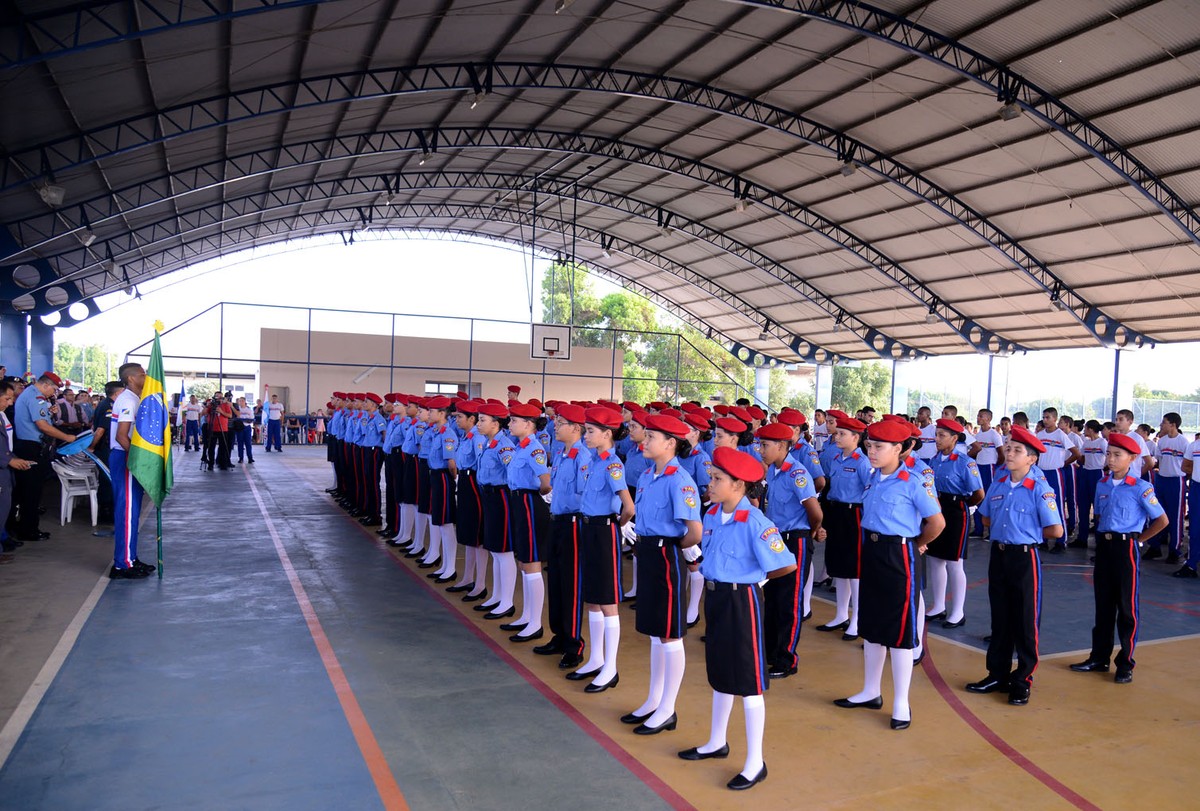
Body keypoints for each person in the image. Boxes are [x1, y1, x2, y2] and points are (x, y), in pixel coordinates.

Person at [678, 446, 796, 791]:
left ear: (739, 485)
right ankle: (717, 741)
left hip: (741, 600)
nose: (709, 483)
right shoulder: (713, 513)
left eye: (717, 479)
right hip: (716, 598)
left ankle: (755, 761)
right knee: (720, 671)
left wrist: (753, 580)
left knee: (749, 680)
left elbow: (785, 565)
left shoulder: (756, 522)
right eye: (711, 477)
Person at [834, 419, 944, 731]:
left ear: (899, 449)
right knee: (871, 623)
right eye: (869, 445)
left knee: (899, 631)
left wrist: (916, 545)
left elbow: (936, 523)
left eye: (878, 447)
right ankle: (871, 690)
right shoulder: (873, 478)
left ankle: (901, 702)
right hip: (871, 552)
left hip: (899, 555)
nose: (871, 451)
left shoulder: (913, 480)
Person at [966, 426, 1063, 706]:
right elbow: (984, 519)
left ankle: (1022, 680)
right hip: (999, 555)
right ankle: (997, 674)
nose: (1009, 452)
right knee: (1000, 617)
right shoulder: (998, 482)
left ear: (1031, 458)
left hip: (1024, 557)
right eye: (1007, 447)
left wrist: (1026, 533)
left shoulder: (1039, 489)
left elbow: (1055, 530)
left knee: (1025, 620)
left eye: (1016, 450)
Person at [622, 414, 702, 736]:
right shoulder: (646, 476)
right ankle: (654, 699)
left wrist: (668, 546)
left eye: (651, 436)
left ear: (670, 443)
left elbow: (694, 531)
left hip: (666, 555)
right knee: (656, 631)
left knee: (671, 633)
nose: (644, 441)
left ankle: (668, 708)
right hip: (648, 554)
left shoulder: (679, 480)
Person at [1069, 432, 1167, 684]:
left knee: (1126, 609)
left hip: (1126, 550)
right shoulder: (1102, 484)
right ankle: (1098, 658)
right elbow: (1100, 516)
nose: (1110, 459)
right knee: (1103, 606)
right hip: (1104, 547)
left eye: (1117, 455)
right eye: (1108, 454)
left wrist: (1140, 540)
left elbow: (1162, 520)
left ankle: (1125, 663)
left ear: (1132, 458)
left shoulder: (1141, 487)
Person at [570, 406, 635, 691]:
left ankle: (610, 667)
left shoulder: (612, 465)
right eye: (585, 430)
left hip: (604, 530)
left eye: (591, 431)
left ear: (607, 434)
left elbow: (628, 507)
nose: (586, 435)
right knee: (593, 597)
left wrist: (614, 525)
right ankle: (596, 658)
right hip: (588, 528)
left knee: (608, 600)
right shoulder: (594, 461)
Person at [756, 421, 822, 679]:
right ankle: (771, 652)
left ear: (782, 446)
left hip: (795, 540)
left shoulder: (797, 473)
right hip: (775, 540)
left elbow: (815, 512)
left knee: (789, 602)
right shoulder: (772, 471)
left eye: (765, 445)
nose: (761, 449)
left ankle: (786, 659)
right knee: (772, 599)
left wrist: (812, 531)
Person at [541, 403, 590, 668]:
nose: (556, 426)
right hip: (557, 521)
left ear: (576, 428)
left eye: (561, 423)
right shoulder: (561, 454)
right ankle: (559, 635)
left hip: (573, 524)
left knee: (571, 584)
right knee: (557, 581)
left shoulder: (583, 458)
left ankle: (574, 644)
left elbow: (585, 496)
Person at [926, 419, 985, 629]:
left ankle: (958, 612)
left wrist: (961, 506)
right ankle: (938, 606)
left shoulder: (964, 462)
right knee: (935, 560)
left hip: (956, 511)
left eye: (942, 435)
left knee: (954, 562)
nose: (937, 439)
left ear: (954, 438)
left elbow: (978, 494)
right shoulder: (934, 460)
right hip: (936, 509)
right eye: (937, 434)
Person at [501, 401, 552, 643]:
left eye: (514, 421)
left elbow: (546, 481)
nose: (510, 424)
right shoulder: (520, 447)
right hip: (518, 503)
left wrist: (538, 497)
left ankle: (535, 623)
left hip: (530, 504)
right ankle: (526, 615)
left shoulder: (534, 449)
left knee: (532, 564)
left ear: (528, 424)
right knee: (523, 561)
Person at [8, 372, 75, 542]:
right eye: (53, 388)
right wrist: (67, 437)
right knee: (31, 491)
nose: (53, 393)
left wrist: (51, 413)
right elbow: (43, 426)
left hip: (30, 446)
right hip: (31, 448)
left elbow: (44, 419)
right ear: (45, 385)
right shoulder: (35, 396)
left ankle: (22, 526)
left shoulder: (34, 396)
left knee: (27, 490)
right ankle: (28, 529)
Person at [109, 363, 156, 579]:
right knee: (127, 512)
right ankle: (122, 564)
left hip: (129, 458)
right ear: (130, 379)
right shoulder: (127, 400)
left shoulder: (135, 398)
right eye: (142, 374)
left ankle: (130, 557)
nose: (145, 376)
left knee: (132, 511)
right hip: (125, 457)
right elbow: (121, 436)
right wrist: (139, 460)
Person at [475, 402, 519, 617]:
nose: (479, 423)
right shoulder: (488, 442)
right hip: (489, 497)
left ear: (496, 423)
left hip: (501, 497)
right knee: (493, 548)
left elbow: (512, 473)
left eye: (483, 420)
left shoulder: (504, 446)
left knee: (504, 550)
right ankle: (496, 596)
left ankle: (507, 602)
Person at [447, 399, 488, 600]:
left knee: (477, 535)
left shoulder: (477, 437)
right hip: (464, 480)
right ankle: (467, 577)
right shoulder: (465, 436)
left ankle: (480, 584)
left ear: (471, 419)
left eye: (460, 417)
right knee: (467, 533)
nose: (456, 421)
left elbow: (481, 464)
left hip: (474, 483)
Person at [1145, 412, 1188, 564]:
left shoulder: (1183, 442)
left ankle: (1174, 550)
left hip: (1176, 481)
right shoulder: (1162, 442)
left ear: (1173, 424)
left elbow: (1188, 464)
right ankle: (1154, 546)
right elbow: (1159, 461)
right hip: (1161, 480)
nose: (1161, 425)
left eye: (1164, 422)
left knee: (1175, 516)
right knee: (1156, 513)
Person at [0, 380, 35, 560]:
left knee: (4, 509)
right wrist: (9, 460)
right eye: (7, 398)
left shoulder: (2, 414)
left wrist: (13, 458)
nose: (10, 402)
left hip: (5, 468)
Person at [87, 381, 122, 524]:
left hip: (107, 448)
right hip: (105, 448)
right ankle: (106, 513)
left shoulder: (108, 404)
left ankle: (109, 509)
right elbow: (101, 430)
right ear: (117, 393)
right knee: (107, 480)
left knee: (109, 479)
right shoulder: (109, 406)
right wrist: (92, 447)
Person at [968, 409, 1003, 537]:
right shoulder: (977, 436)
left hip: (989, 468)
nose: (978, 418)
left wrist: (995, 466)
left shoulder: (994, 435)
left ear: (988, 419)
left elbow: (1001, 453)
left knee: (989, 498)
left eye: (981, 416)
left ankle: (991, 530)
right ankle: (978, 529)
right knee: (978, 496)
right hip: (978, 468)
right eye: (978, 416)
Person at [1074, 420, 1107, 548]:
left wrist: (1104, 468)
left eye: (1086, 428)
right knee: (1083, 506)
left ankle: (1100, 541)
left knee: (1098, 508)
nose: (1084, 430)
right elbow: (1081, 457)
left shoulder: (1102, 442)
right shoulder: (1086, 442)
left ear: (1091, 429)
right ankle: (1082, 538)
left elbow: (1108, 456)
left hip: (1097, 474)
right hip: (1085, 473)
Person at [1174, 433, 1200, 579]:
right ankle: (1191, 565)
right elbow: (1185, 466)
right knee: (1195, 529)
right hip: (1197, 488)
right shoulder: (1194, 445)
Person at [235, 397, 255, 464]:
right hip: (239, 428)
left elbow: (252, 419)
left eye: (242, 401)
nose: (241, 402)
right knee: (240, 443)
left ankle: (250, 457)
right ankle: (241, 458)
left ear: (245, 402)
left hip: (247, 427)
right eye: (240, 401)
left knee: (248, 443)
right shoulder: (237, 410)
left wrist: (245, 420)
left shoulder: (249, 410)